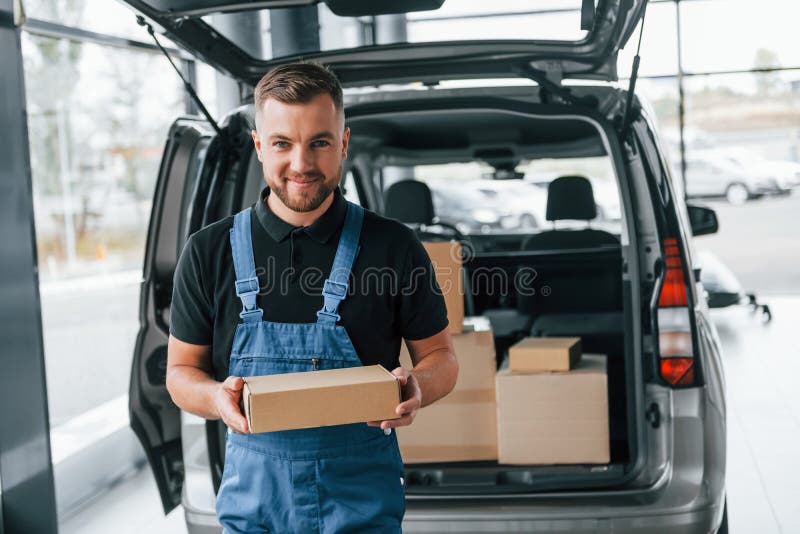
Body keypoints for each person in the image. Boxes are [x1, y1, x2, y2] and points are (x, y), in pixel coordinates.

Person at [165, 61, 459, 533]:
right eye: (282, 143)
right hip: (255, 508)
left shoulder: (394, 246)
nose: (301, 164)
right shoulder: (208, 252)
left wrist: (418, 386)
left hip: (362, 507)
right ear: (260, 145)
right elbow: (180, 374)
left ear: (343, 143)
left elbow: (441, 357)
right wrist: (215, 398)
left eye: (319, 142)